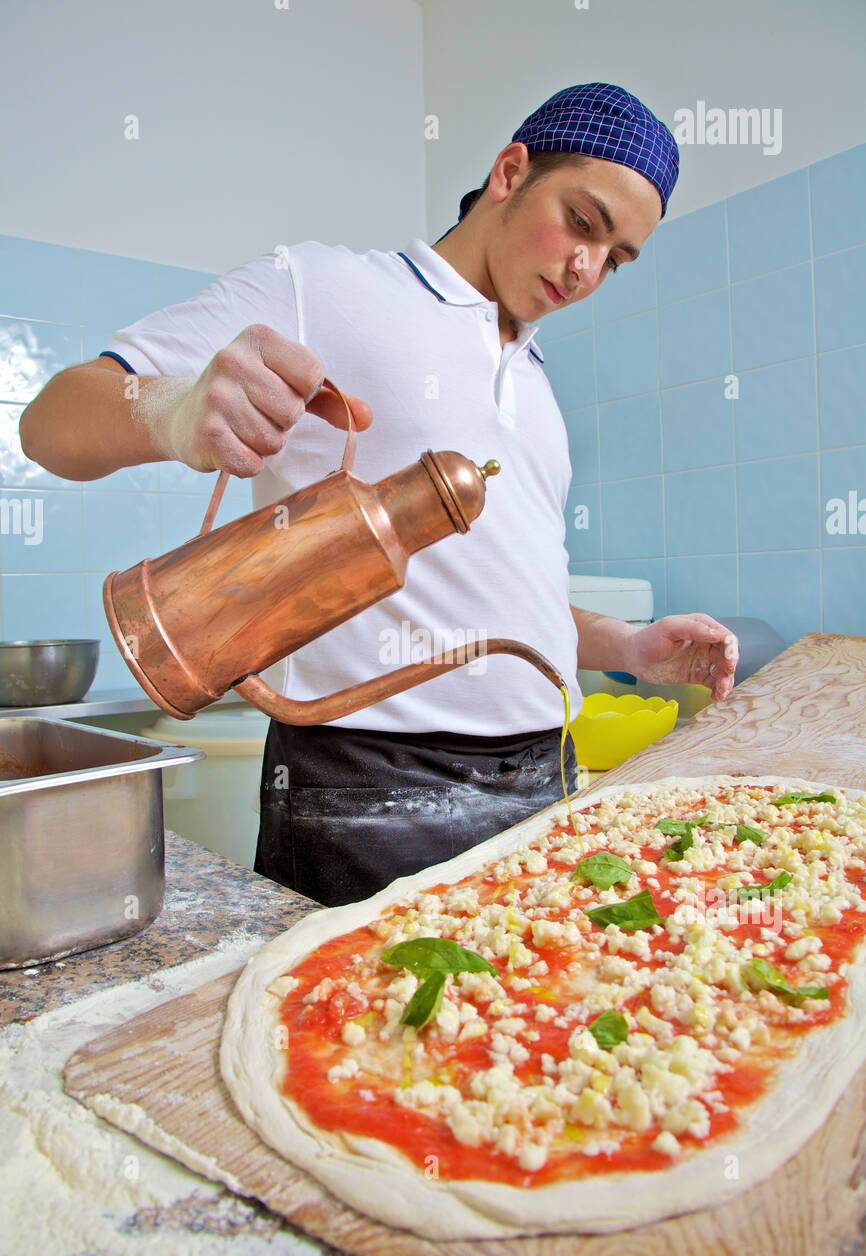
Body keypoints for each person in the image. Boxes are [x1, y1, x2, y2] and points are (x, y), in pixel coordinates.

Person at [20, 81, 738, 907]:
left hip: (547, 778)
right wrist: (175, 411)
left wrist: (629, 648)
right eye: (582, 221)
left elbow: (499, 604)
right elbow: (51, 422)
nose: (587, 270)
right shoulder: (322, 286)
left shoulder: (538, 385)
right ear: (510, 172)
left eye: (616, 258)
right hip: (370, 788)